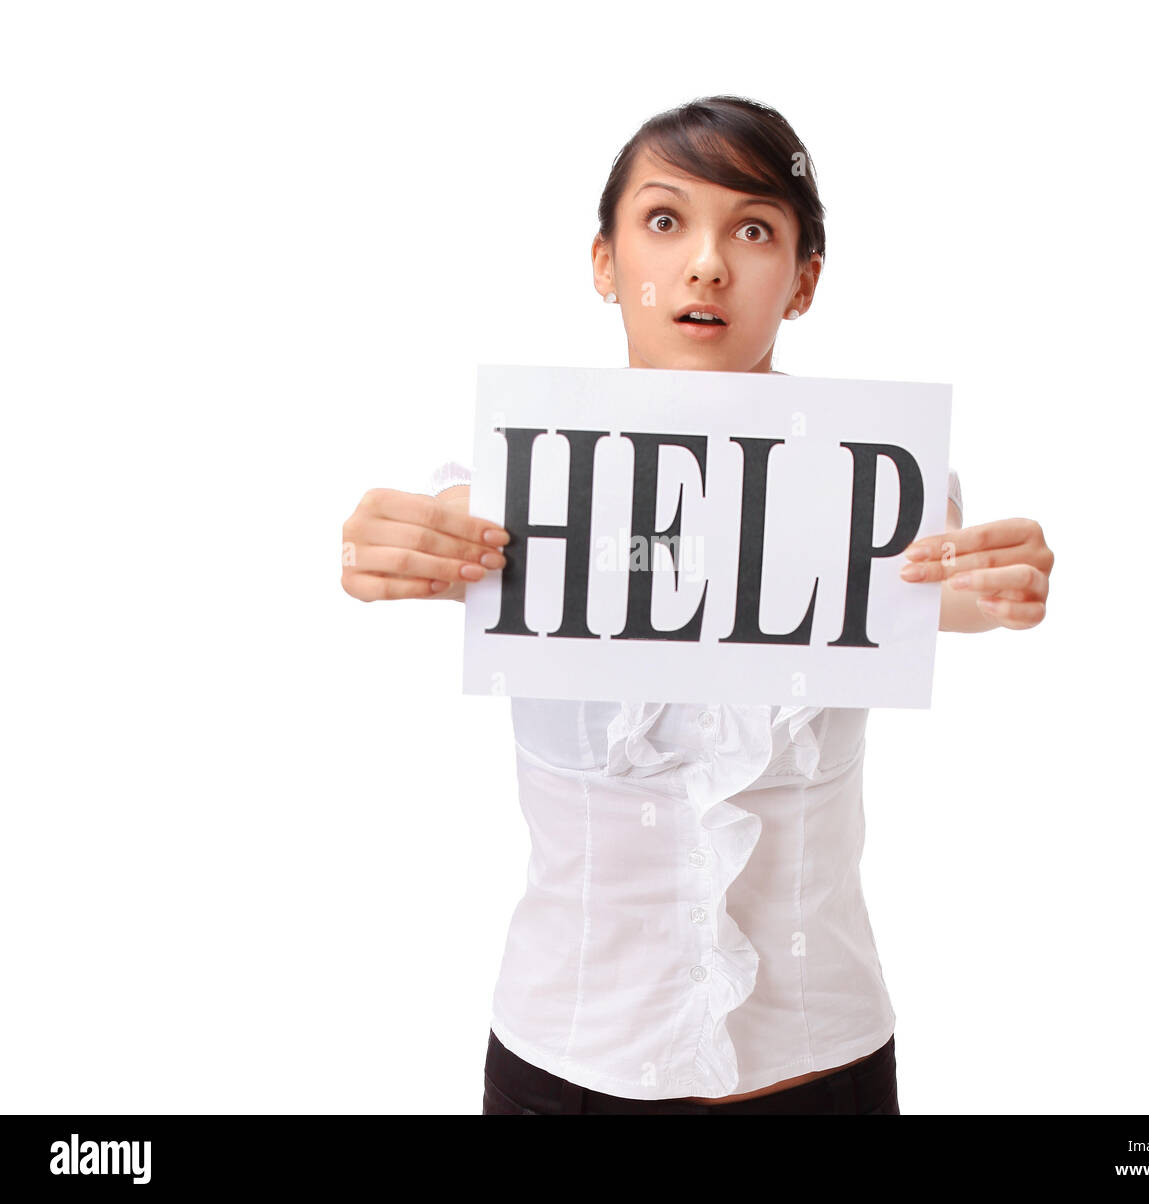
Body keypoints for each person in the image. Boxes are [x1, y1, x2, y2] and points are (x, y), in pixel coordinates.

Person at [340, 95, 1054, 1114]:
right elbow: (435, 536)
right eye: (665, 222)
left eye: (753, 229)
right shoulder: (509, 479)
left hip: (819, 1066)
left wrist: (1002, 588)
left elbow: (942, 593)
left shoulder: (883, 488)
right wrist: (382, 549)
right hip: (563, 1064)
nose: (706, 264)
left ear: (801, 281)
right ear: (603, 262)